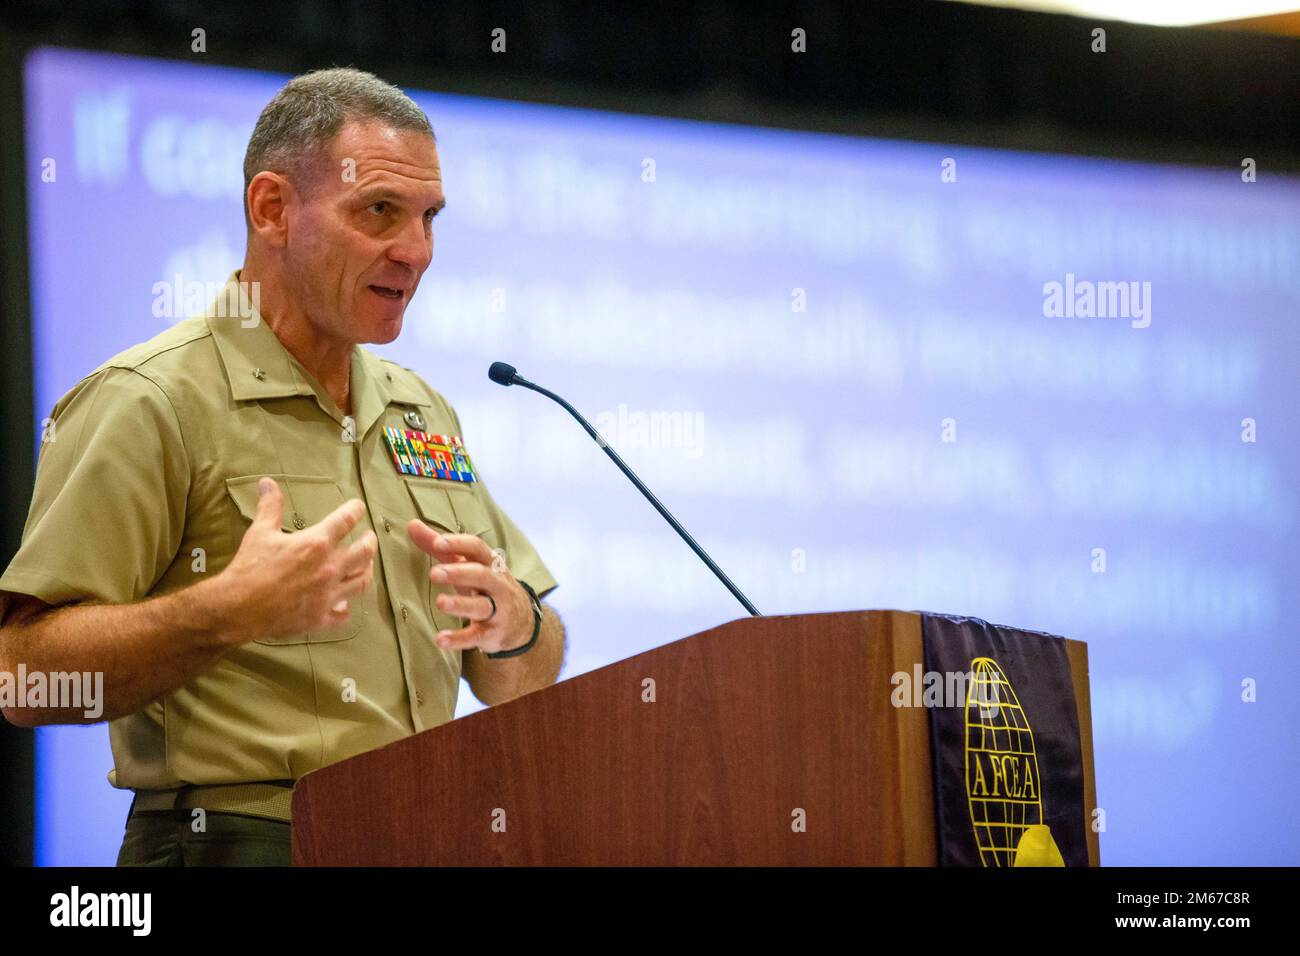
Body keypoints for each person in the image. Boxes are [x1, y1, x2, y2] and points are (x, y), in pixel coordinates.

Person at [0, 68, 565, 866]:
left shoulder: (421, 412)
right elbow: (22, 679)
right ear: (271, 209)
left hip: (432, 838)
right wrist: (228, 610)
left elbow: (522, 676)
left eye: (429, 218)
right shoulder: (151, 400)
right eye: (379, 212)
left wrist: (516, 627)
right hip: (243, 843)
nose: (416, 251)